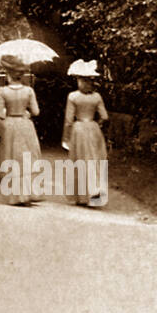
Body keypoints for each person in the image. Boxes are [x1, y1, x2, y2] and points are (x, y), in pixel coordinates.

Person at [0, 54, 43, 205]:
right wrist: (25, 112)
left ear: (9, 74)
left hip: (9, 125)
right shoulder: (28, 91)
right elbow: (36, 112)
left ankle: (13, 193)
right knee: (27, 157)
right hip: (25, 125)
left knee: (10, 158)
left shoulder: (3, 91)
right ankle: (28, 192)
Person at [62, 59, 109, 206]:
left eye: (80, 80)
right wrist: (98, 125)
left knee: (80, 161)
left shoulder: (73, 96)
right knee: (94, 161)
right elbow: (105, 117)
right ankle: (94, 193)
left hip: (79, 129)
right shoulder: (96, 97)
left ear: (81, 81)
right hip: (93, 128)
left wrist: (66, 137)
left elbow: (68, 120)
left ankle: (82, 196)